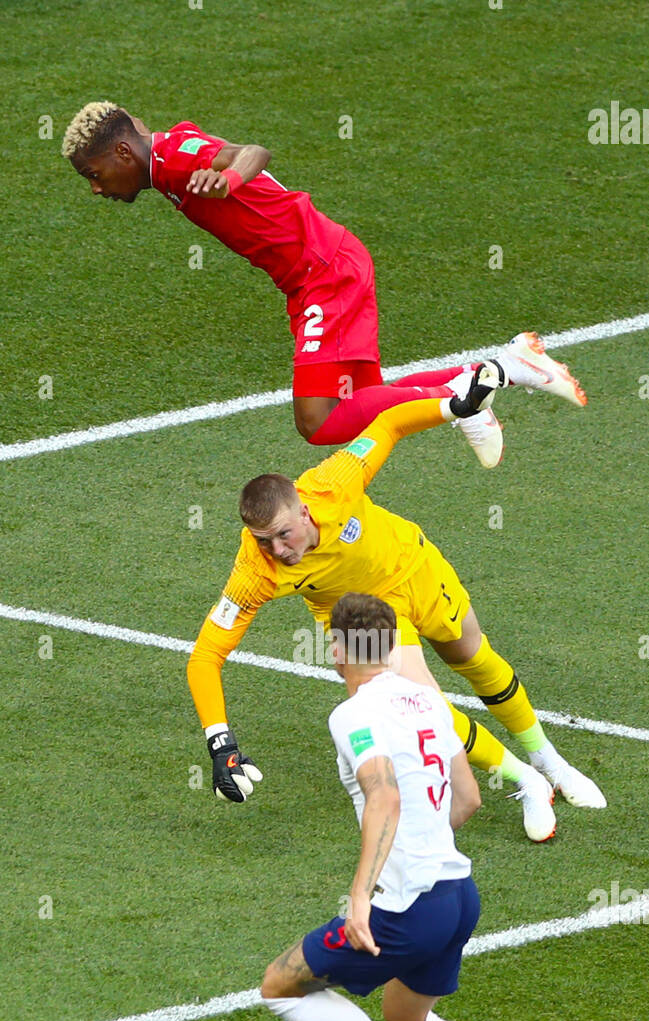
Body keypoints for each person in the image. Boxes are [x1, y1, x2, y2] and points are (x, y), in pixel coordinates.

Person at [187, 366, 606, 842]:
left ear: (303, 511)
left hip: (414, 567)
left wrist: (454, 408)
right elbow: (206, 656)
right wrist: (221, 744)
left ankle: (549, 760)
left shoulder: (333, 484)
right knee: (421, 704)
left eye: (284, 534)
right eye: (264, 540)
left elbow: (387, 425)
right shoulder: (254, 571)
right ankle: (525, 780)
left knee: (474, 658)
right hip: (361, 616)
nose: (278, 550)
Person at [61, 102, 586, 465]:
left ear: (123, 154)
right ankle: (499, 371)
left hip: (323, 272)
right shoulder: (164, 153)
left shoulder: (174, 157)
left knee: (316, 420)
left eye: (93, 173)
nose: (95, 188)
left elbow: (254, 152)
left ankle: (475, 390)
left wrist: (228, 179)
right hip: (317, 272)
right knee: (361, 405)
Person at [260, 592, 566, 1021]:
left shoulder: (351, 714)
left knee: (279, 988)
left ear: (338, 648)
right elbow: (470, 799)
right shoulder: (426, 698)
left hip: (407, 908)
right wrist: (425, 848)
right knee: (407, 1017)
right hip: (458, 895)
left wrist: (360, 896)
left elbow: (385, 797)